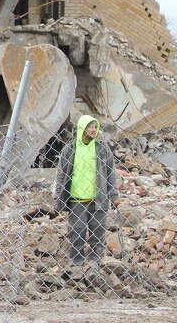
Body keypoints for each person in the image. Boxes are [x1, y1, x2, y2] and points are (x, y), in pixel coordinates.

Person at [54, 114, 118, 266]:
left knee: (98, 231)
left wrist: (114, 195)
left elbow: (110, 173)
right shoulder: (70, 150)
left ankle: (95, 261)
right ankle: (77, 261)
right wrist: (58, 198)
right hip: (77, 200)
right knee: (77, 231)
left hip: (98, 199)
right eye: (90, 126)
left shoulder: (102, 149)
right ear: (82, 128)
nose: (93, 130)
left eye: (95, 127)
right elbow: (61, 175)